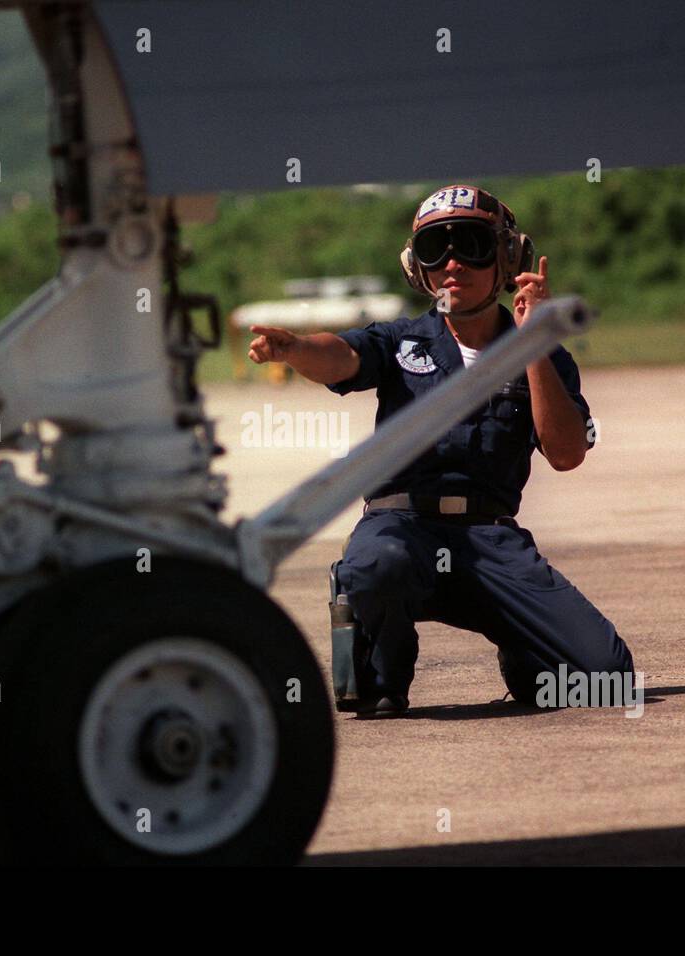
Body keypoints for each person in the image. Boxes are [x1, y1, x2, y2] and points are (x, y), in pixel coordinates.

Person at [248, 184, 636, 717]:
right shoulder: (402, 342)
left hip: (489, 544)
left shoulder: (545, 354)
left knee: (607, 681)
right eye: (436, 249)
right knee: (377, 579)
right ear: (417, 266)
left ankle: (527, 655)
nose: (452, 263)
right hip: (401, 535)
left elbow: (567, 453)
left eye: (471, 244)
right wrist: (295, 349)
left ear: (507, 257)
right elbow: (341, 356)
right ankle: (376, 649)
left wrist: (533, 344)